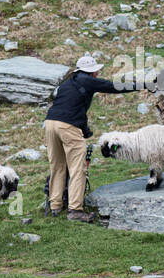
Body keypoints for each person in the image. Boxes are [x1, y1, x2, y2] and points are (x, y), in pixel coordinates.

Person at [43, 55, 129, 222]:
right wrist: (144, 85)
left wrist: (84, 129)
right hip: (67, 126)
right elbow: (112, 86)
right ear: (93, 72)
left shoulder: (68, 82)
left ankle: (55, 206)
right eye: (96, 70)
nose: (98, 72)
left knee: (57, 166)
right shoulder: (87, 80)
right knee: (77, 167)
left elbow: (73, 107)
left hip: (50, 123)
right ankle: (75, 209)